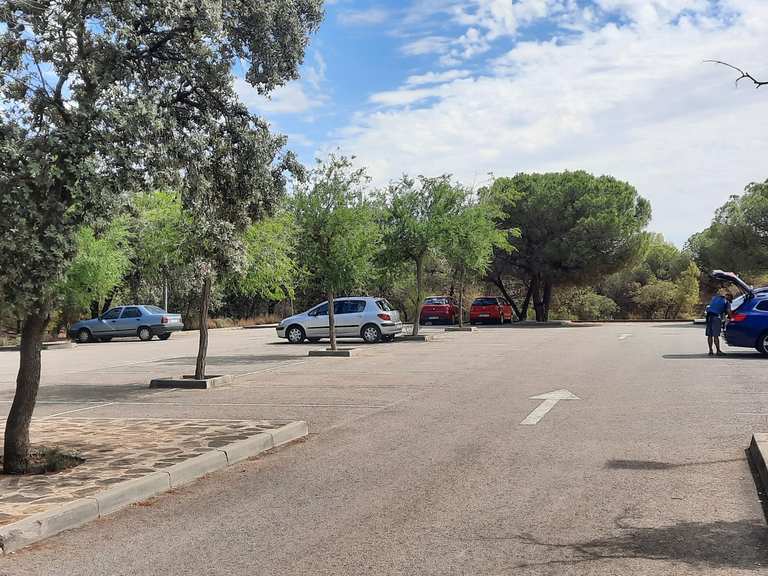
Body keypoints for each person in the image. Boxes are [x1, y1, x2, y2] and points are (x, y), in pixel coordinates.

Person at [705, 289, 731, 356]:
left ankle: (710, 351)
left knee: (709, 335)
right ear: (728, 296)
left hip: (709, 317)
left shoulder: (715, 298)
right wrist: (730, 317)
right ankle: (718, 351)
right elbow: (729, 312)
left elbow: (709, 306)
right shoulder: (726, 302)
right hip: (716, 318)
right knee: (716, 335)